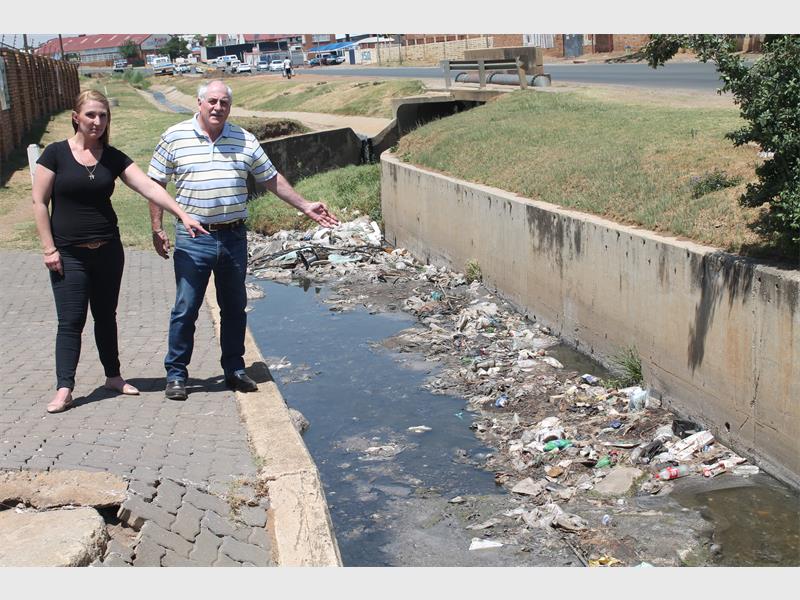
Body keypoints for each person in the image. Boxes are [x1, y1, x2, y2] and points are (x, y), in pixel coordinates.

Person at [148, 80, 339, 401]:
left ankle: (235, 370)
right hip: (193, 237)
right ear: (198, 102)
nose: (217, 107)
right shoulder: (174, 136)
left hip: (234, 236)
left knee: (235, 307)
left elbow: (270, 178)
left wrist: (305, 205)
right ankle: (177, 374)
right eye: (212, 101)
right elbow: (156, 182)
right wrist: (157, 227)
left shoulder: (243, 139)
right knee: (186, 308)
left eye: (224, 103)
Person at [32, 89, 208, 414]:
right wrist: (48, 249)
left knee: (106, 316)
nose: (97, 122)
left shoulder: (112, 157)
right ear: (76, 117)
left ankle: (113, 376)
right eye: (91, 115)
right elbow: (39, 203)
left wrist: (181, 214)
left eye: (102, 116)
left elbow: (150, 186)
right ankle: (64, 388)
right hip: (69, 253)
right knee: (70, 321)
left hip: (108, 251)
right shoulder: (55, 154)